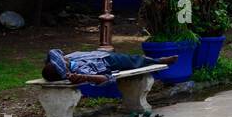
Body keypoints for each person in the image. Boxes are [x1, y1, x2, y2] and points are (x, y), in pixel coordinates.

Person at [41, 49, 176, 85]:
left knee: (134, 58)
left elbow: (53, 52)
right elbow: (106, 79)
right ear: (63, 69)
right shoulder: (79, 71)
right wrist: (84, 77)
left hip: (102, 54)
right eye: (61, 62)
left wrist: (62, 60)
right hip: (110, 63)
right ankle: (158, 60)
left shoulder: (67, 60)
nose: (63, 58)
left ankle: (152, 60)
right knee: (134, 60)